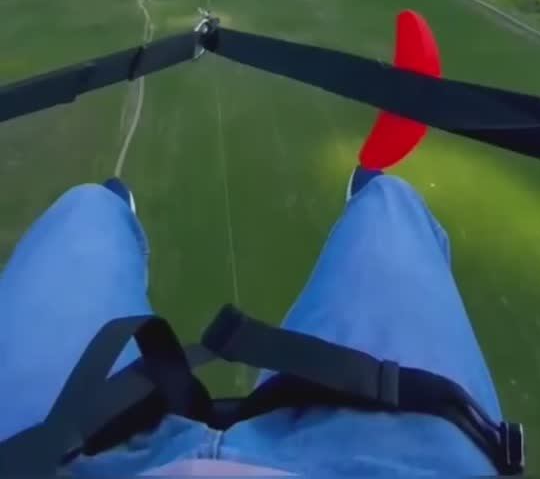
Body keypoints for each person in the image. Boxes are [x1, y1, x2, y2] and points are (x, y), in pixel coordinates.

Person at [0, 168, 504, 477]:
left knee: (83, 209)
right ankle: (374, 198)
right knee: (391, 206)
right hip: (391, 462)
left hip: (49, 457)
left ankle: (108, 209)